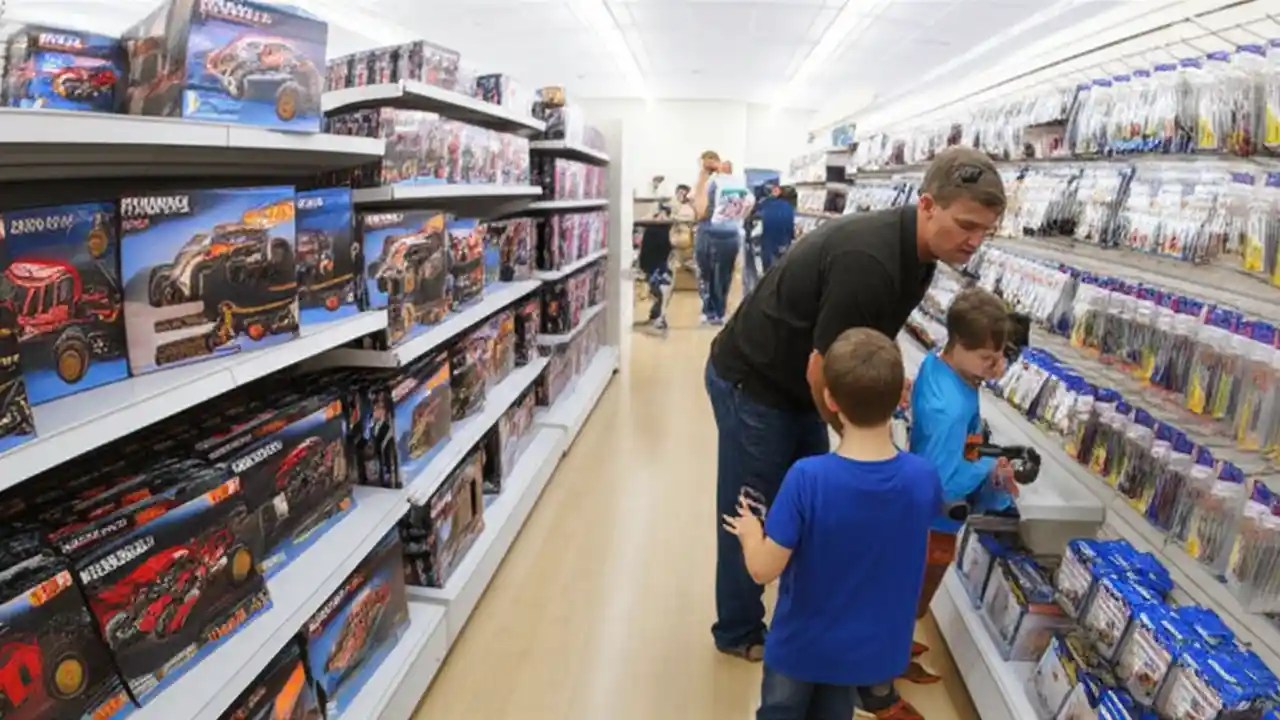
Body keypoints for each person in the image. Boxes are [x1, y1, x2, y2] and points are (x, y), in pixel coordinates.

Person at [704, 146, 1005, 716]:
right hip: (756, 382)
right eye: (966, 226)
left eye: (984, 231)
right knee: (755, 502)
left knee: (813, 501)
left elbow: (860, 347)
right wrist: (856, 444)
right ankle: (740, 628)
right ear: (927, 206)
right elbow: (825, 367)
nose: (974, 240)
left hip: (801, 385)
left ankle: (813, 621)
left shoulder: (920, 258)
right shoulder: (870, 261)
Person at [722, 328, 941, 720]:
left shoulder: (808, 479)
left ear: (829, 399)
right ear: (900, 398)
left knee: (781, 711)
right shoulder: (923, 478)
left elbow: (762, 569)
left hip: (802, 647)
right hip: (870, 652)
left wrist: (750, 533)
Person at [909, 287, 1020, 616]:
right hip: (936, 522)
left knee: (905, 591)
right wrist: (987, 465)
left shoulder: (939, 365)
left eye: (999, 356)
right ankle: (893, 660)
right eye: (988, 358)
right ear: (959, 345)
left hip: (918, 510)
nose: (995, 366)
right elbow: (942, 484)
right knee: (915, 597)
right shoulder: (951, 411)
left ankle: (897, 646)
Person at [694, 153, 753, 325]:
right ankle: (718, 312)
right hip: (731, 233)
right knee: (723, 275)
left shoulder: (708, 183)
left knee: (706, 274)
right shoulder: (739, 184)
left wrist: (701, 180)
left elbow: (701, 210)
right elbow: (749, 204)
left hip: (709, 232)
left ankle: (710, 311)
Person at [755, 183, 796, 271]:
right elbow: (790, 225)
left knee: (768, 268)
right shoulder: (788, 206)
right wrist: (791, 237)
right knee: (783, 266)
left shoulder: (764, 204)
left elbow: (756, 216)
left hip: (768, 240)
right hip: (783, 240)